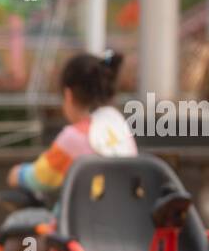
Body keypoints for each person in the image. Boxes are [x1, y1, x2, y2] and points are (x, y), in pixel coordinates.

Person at [8, 50, 137, 200]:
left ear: (68, 95)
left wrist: (17, 173)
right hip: (128, 218)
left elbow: (41, 177)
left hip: (86, 220)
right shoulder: (117, 124)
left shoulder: (72, 137)